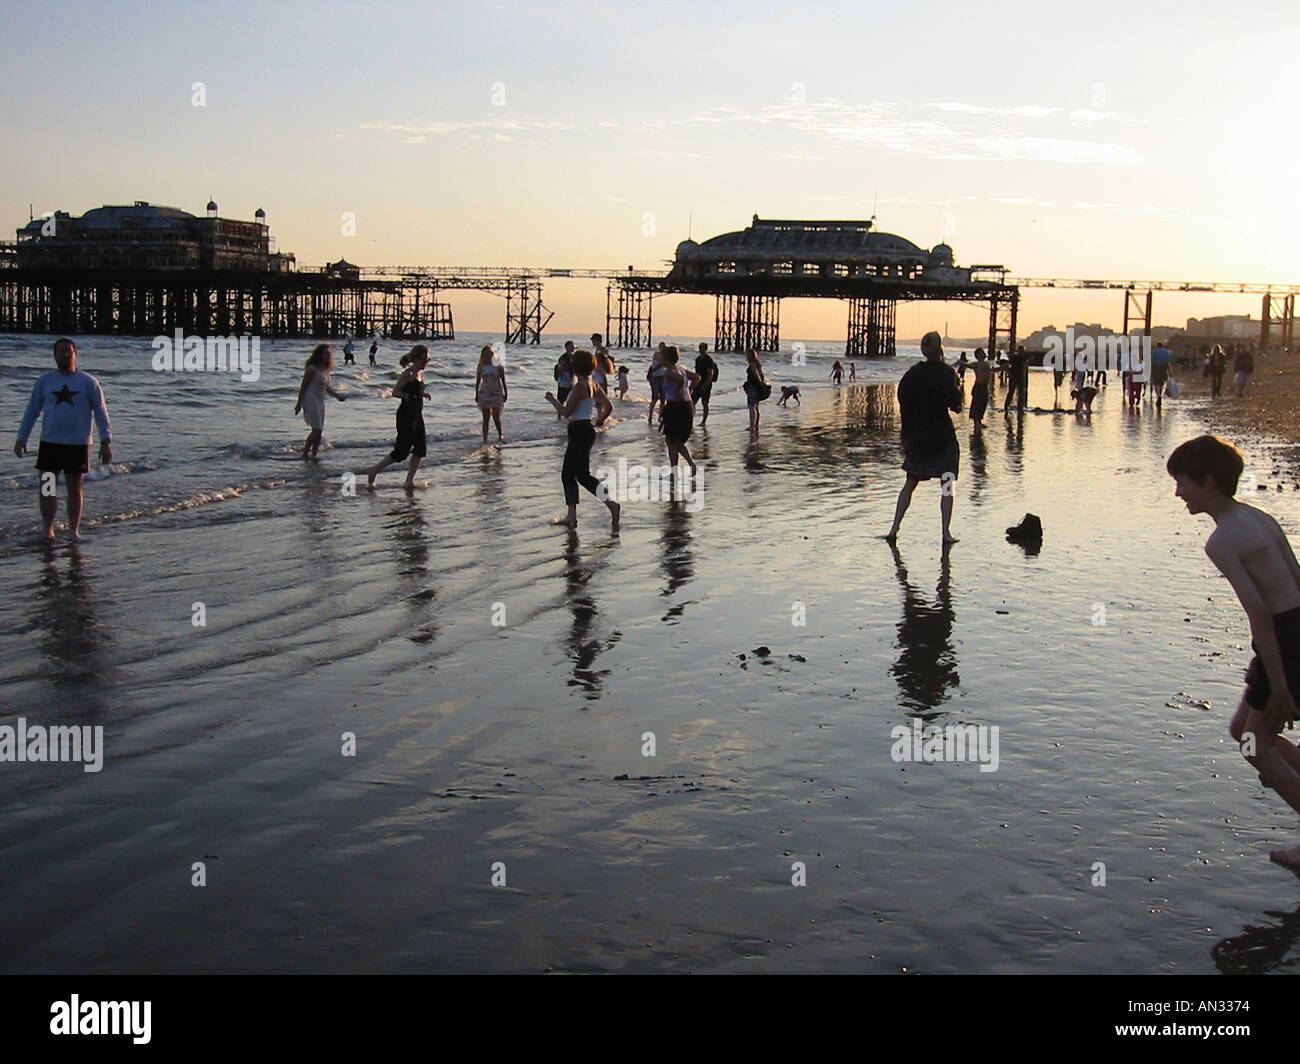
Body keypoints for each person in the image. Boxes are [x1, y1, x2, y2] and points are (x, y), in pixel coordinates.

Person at [1168, 435, 1300, 868]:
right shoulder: (1258, 518)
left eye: (1182, 483)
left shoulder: (1222, 541)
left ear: (1208, 482)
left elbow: (1260, 615)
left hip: (1281, 636)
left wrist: (1279, 685)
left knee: (1254, 747)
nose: (1178, 493)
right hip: (1293, 629)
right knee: (1240, 730)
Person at [14, 337, 112, 542]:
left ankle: (73, 531)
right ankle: (47, 529)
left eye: (68, 351)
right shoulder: (45, 381)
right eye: (60, 351)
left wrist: (106, 441)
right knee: (47, 487)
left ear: (75, 354)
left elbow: (101, 413)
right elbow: (32, 411)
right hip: (50, 444)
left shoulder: (88, 382)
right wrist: (22, 438)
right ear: (54, 355)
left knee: (74, 489)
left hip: (77, 445)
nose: (64, 355)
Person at [885, 331, 960, 544]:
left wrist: (905, 434)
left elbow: (903, 404)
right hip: (942, 437)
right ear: (941, 349)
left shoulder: (911, 374)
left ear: (922, 350)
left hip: (918, 437)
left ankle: (894, 528)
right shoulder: (947, 373)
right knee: (947, 485)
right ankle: (945, 533)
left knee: (910, 483)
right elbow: (955, 405)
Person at [546, 349, 621, 531]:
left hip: (579, 430)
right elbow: (608, 406)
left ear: (576, 366)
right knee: (579, 475)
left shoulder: (580, 387)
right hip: (586, 429)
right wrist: (600, 419)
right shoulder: (593, 384)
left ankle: (609, 505)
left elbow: (565, 412)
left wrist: (552, 400)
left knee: (573, 475)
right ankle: (575, 515)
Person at [366, 346, 430, 490]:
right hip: (406, 415)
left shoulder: (419, 375)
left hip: (417, 414)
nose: (426, 362)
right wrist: (406, 395)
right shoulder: (408, 374)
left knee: (420, 448)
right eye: (424, 359)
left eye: (428, 359)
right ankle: (374, 470)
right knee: (402, 451)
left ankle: (409, 481)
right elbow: (395, 392)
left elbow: (416, 391)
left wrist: (423, 395)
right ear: (416, 359)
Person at [294, 343, 347, 459]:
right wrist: (299, 404)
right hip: (310, 400)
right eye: (325, 354)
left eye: (329, 354)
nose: (328, 356)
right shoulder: (312, 369)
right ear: (319, 354)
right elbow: (303, 387)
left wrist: (337, 396)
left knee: (319, 430)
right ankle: (305, 453)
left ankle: (314, 454)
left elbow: (326, 388)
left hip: (320, 401)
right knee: (317, 429)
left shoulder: (325, 369)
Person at [659, 346, 698, 478]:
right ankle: (690, 464)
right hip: (686, 404)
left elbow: (681, 381)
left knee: (671, 440)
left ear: (666, 358)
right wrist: (688, 391)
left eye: (662, 356)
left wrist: (677, 393)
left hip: (676, 406)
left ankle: (675, 470)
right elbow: (697, 377)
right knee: (675, 441)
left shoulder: (669, 371)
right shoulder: (681, 369)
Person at [475, 344, 507, 442]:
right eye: (485, 354)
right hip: (484, 393)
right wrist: (476, 393)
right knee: (486, 418)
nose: (487, 356)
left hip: (496, 392)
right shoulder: (481, 366)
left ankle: (500, 435)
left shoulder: (498, 366)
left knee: (496, 416)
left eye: (489, 354)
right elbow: (478, 380)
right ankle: (485, 438)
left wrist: (506, 393)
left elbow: (503, 380)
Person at [692, 342, 719, 426]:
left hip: (706, 384)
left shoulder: (709, 360)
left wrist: (705, 385)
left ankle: (704, 421)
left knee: (705, 403)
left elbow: (710, 373)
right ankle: (691, 419)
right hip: (698, 383)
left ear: (706, 349)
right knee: (692, 402)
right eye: (700, 348)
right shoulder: (697, 359)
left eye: (702, 348)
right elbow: (696, 373)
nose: (701, 350)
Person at [743, 348, 768, 434]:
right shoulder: (757, 363)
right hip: (756, 386)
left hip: (753, 386)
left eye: (747, 354)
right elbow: (761, 374)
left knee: (751, 407)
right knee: (755, 407)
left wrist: (759, 383)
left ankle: (751, 426)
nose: (746, 355)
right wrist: (761, 383)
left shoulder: (753, 363)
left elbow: (756, 374)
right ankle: (755, 425)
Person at [968, 348, 991, 431]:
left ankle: (979, 422)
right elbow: (969, 365)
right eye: (982, 353)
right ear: (978, 355)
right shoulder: (977, 364)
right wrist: (961, 363)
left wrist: (1003, 368)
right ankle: (976, 423)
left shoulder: (987, 363)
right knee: (977, 404)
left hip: (984, 387)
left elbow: (994, 369)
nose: (984, 354)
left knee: (983, 403)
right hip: (979, 386)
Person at [646, 342, 667, 425]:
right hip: (655, 377)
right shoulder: (656, 354)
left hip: (663, 377)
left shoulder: (666, 356)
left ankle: (660, 416)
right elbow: (654, 365)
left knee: (663, 398)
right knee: (654, 397)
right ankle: (650, 416)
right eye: (661, 346)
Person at [1005, 344, 1029, 412]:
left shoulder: (1024, 359)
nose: (1021, 352)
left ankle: (1020, 407)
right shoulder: (1014, 358)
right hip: (1013, 377)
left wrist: (1024, 376)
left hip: (1021, 377)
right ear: (1018, 351)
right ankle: (1006, 406)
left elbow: (1025, 367)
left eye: (1022, 351)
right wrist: (1009, 374)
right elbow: (1008, 366)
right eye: (1020, 351)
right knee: (1011, 392)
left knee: (1021, 393)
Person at [554, 343, 575, 417]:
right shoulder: (563, 357)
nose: (573, 348)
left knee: (571, 400)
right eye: (571, 346)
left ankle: (568, 415)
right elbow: (561, 369)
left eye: (573, 346)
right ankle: (559, 416)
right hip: (563, 382)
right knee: (561, 400)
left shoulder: (573, 357)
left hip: (570, 381)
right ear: (566, 347)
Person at [1151, 339, 1172, 410]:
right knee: (1161, 384)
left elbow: (1152, 362)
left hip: (1156, 369)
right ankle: (1160, 395)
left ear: (1157, 346)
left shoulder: (1154, 352)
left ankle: (1158, 396)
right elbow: (1168, 363)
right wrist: (1170, 372)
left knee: (1155, 384)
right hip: (1163, 369)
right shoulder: (1166, 352)